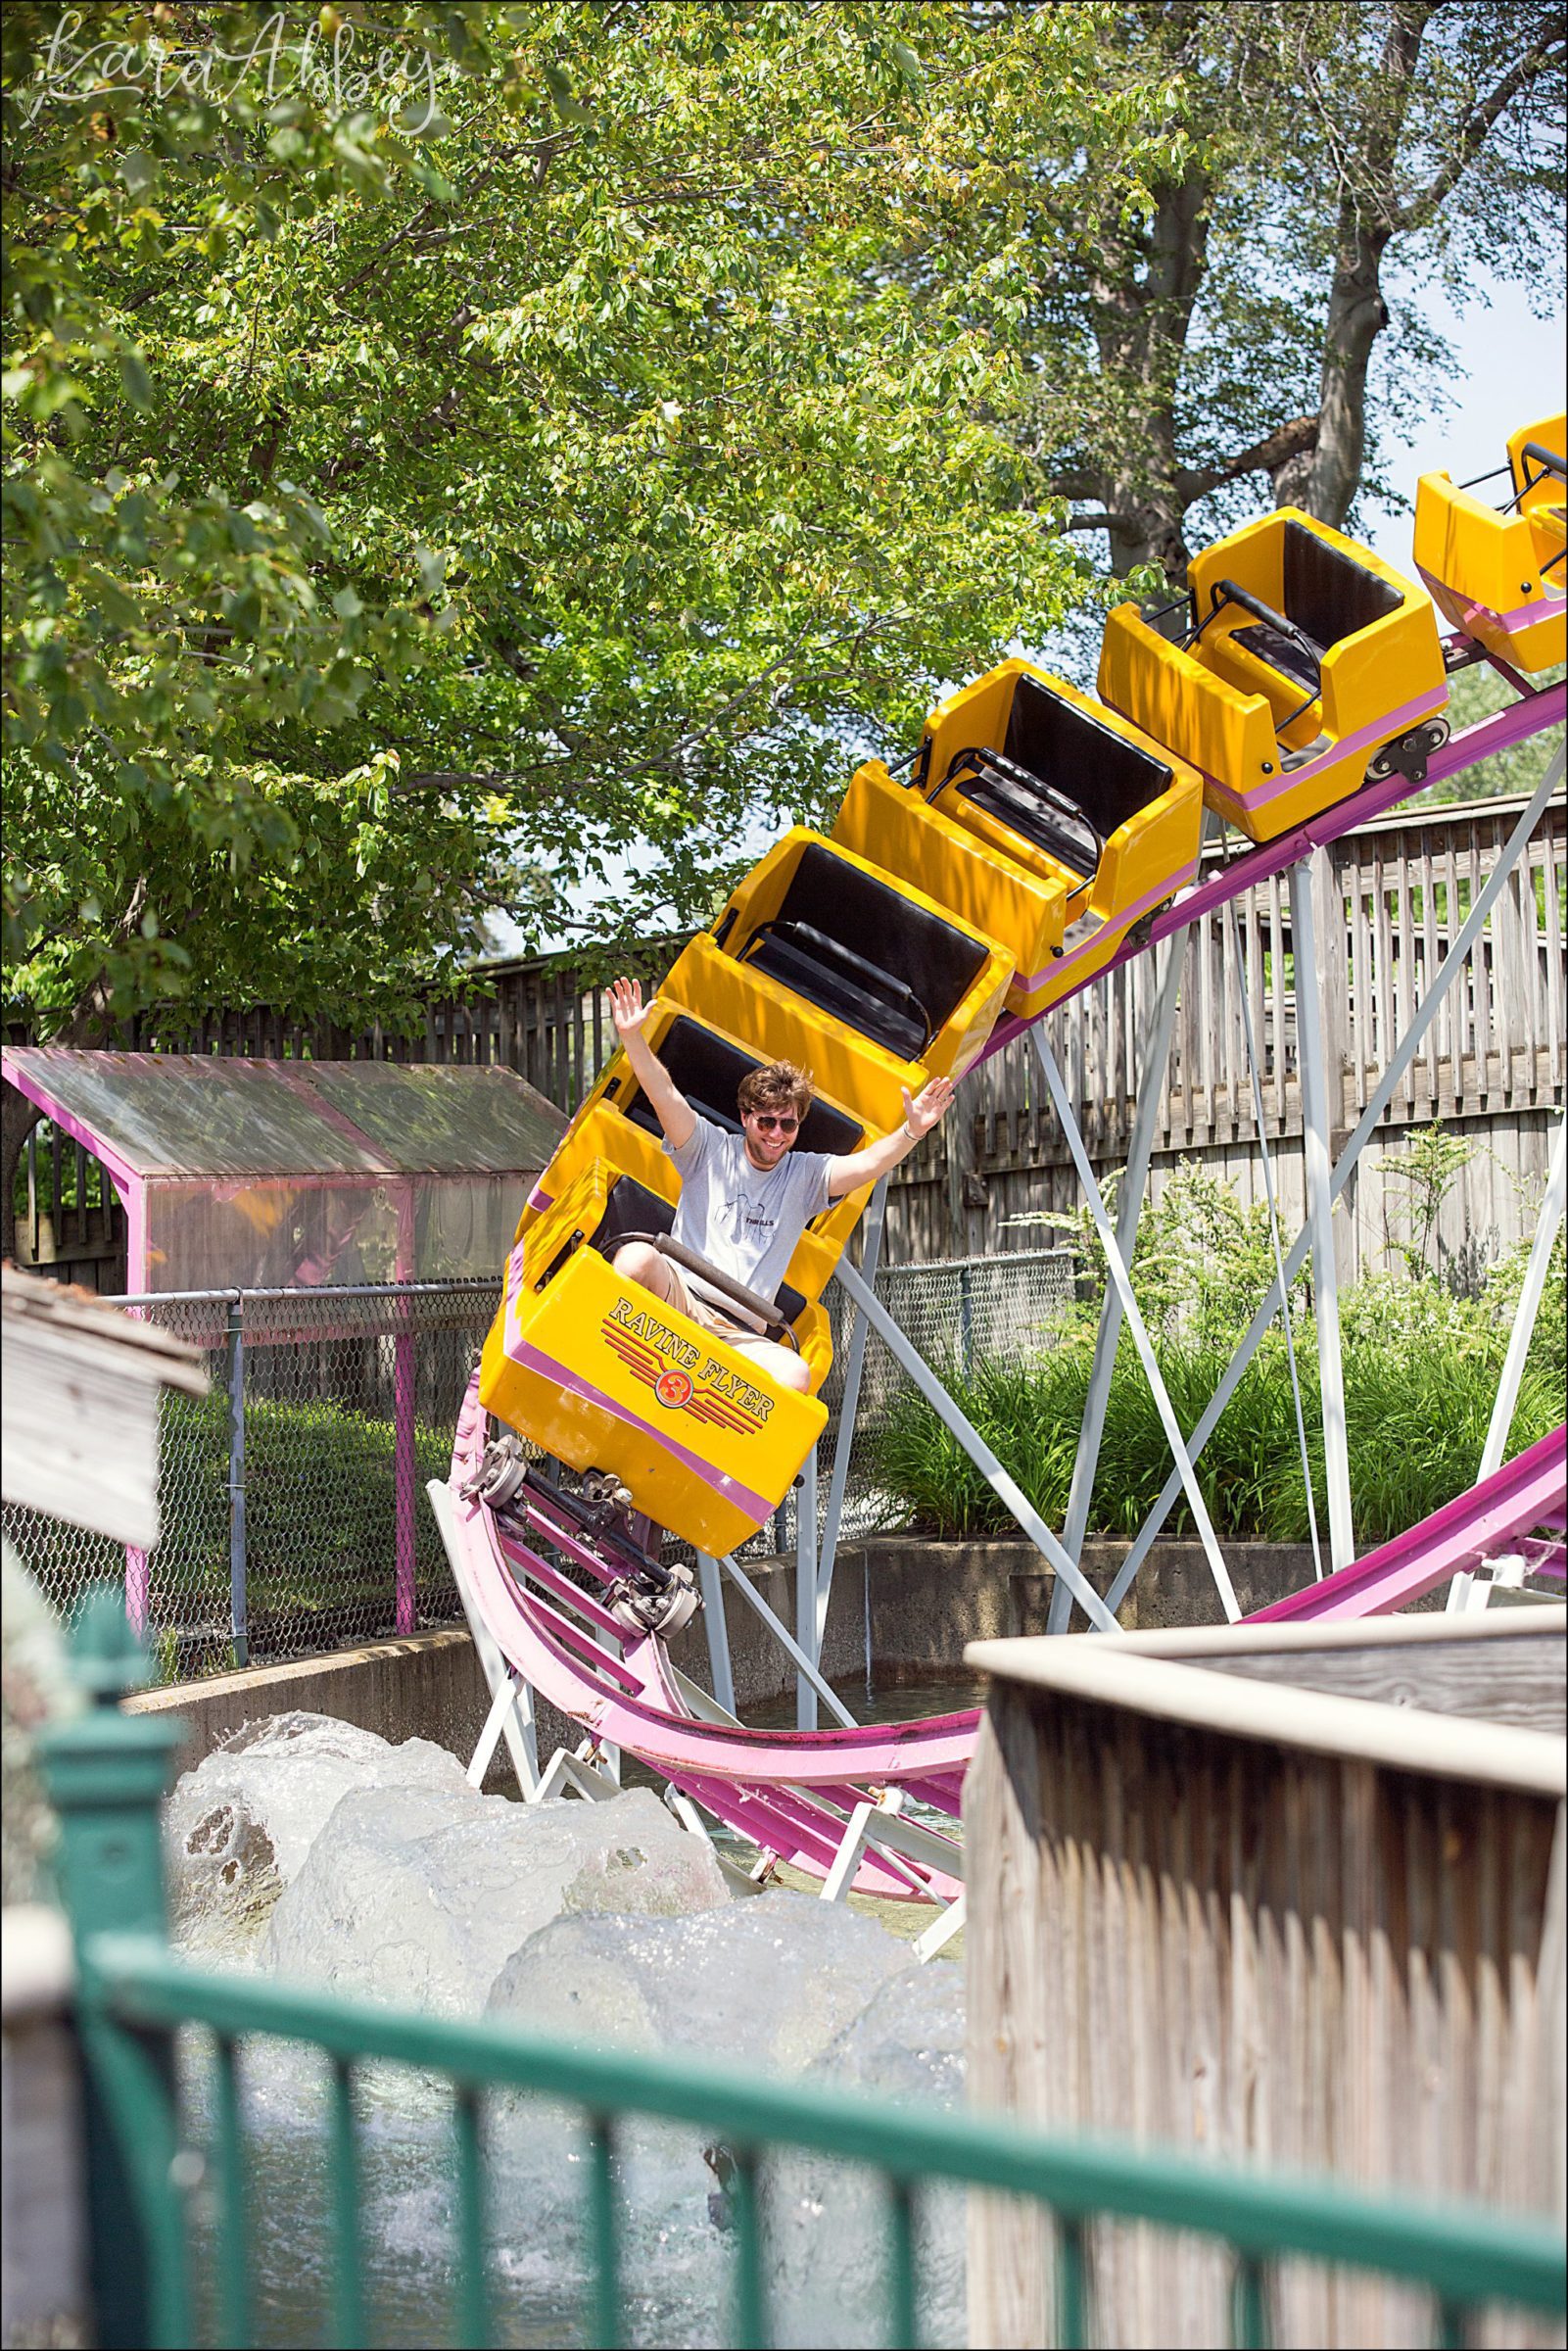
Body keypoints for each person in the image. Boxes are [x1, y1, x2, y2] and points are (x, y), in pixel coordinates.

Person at [606, 976, 957, 1395]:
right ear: (745, 1117)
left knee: (795, 1375)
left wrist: (912, 1132)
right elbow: (664, 1096)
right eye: (766, 1121)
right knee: (635, 1259)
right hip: (680, 1297)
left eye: (787, 1124)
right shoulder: (708, 1149)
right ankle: (613, 1379)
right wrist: (632, 1039)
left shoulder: (805, 1176)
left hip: (739, 1331)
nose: (776, 1133)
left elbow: (868, 1164)